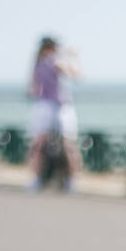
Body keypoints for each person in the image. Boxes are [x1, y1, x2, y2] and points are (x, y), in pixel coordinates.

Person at [27, 37, 82, 191]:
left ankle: (67, 181)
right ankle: (43, 179)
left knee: (64, 143)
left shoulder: (44, 63)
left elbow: (75, 75)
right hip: (52, 105)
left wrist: (68, 58)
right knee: (50, 143)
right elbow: (77, 75)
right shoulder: (42, 63)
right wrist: (71, 56)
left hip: (54, 105)